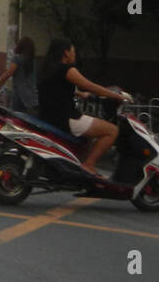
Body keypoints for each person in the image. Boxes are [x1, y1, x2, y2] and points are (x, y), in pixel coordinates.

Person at [36, 37, 132, 177]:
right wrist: (117, 96)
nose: (74, 54)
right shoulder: (67, 70)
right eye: (73, 51)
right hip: (66, 119)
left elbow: (58, 89)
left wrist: (82, 94)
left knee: (88, 136)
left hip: (48, 117)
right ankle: (89, 165)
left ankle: (76, 166)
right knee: (112, 131)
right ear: (66, 53)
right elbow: (90, 86)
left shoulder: (47, 69)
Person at [0, 36, 38, 114]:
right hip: (31, 94)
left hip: (19, 93)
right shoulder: (32, 60)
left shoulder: (17, 58)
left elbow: (9, 73)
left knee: (16, 116)